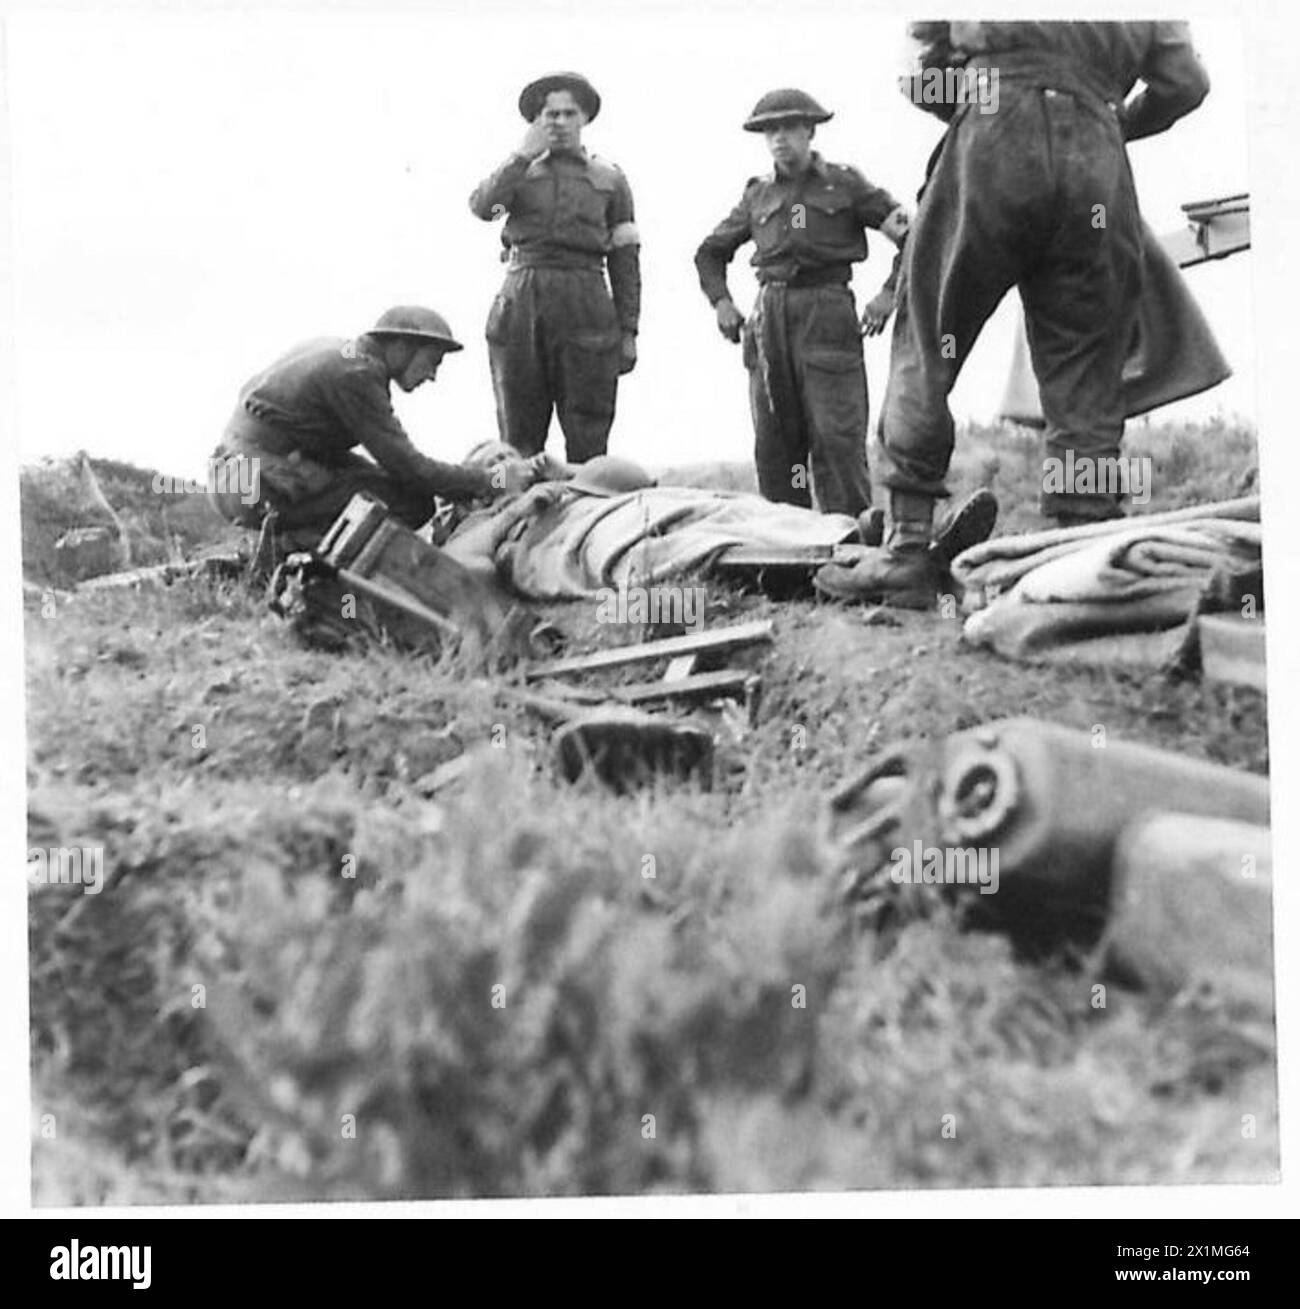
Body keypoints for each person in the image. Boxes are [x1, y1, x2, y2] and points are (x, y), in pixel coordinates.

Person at [834, 21, 1210, 609]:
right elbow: (1186, 82)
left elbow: (917, 75)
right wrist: (1106, 118)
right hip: (1097, 153)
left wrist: (986, 105)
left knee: (931, 343)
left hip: (991, 133)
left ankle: (906, 549)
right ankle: (1081, 553)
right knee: (1085, 368)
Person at [694, 88, 910, 521]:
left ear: (810, 131)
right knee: (777, 445)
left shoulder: (846, 184)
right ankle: (788, 552)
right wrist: (722, 303)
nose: (780, 138)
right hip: (768, 319)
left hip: (827, 313)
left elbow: (914, 237)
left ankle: (850, 547)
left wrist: (889, 295)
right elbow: (709, 252)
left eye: (790, 127)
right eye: (770, 130)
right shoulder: (758, 196)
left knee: (836, 437)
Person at [439, 444, 996, 601]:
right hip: (578, 543)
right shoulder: (476, 524)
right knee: (691, 549)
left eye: (508, 453)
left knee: (737, 509)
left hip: (617, 505)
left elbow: (635, 478)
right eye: (492, 462)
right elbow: (465, 575)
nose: (508, 463)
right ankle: (867, 573)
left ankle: (867, 535)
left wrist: (569, 470)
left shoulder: (557, 480)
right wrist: (516, 508)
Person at [210, 306, 532, 548]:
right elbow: (412, 469)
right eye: (432, 361)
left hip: (237, 475)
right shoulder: (355, 374)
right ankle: (294, 558)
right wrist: (495, 479)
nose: (431, 375)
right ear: (403, 346)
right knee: (413, 502)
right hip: (249, 484)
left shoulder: (340, 353)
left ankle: (290, 548)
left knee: (383, 485)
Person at [469, 71, 641, 463]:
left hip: (586, 299)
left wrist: (628, 329)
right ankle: (520, 515)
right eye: (549, 115)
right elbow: (485, 209)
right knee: (518, 431)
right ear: (536, 121)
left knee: (589, 428)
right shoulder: (516, 174)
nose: (558, 123)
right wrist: (519, 159)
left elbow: (625, 260)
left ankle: (587, 513)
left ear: (584, 119)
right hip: (522, 297)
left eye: (568, 114)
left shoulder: (610, 179)